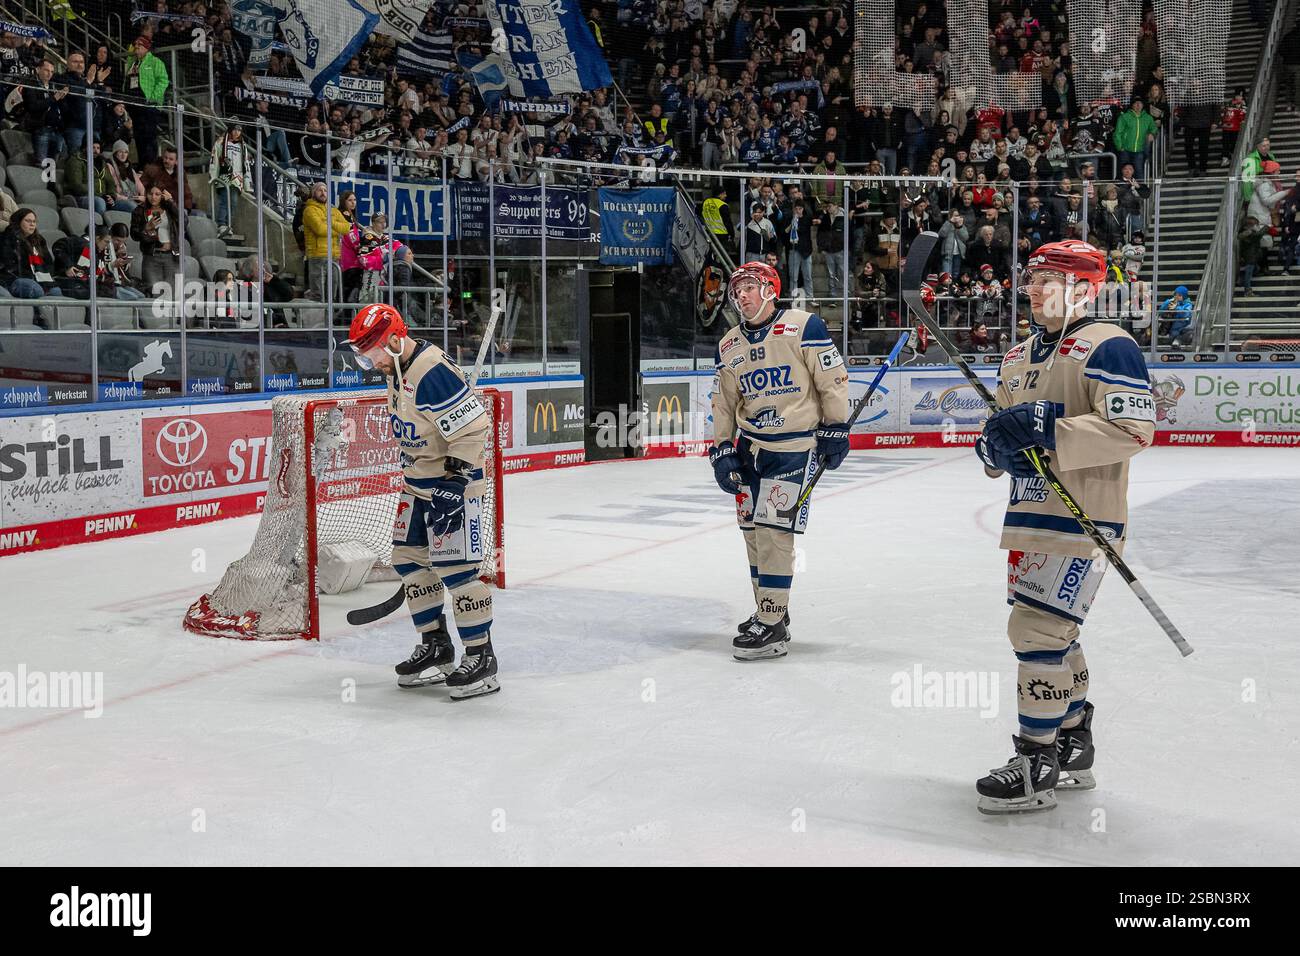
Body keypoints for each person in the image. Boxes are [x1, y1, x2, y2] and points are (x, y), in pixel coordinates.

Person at [973, 239, 1154, 814]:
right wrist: (997, 448)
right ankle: (1073, 746)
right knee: (1054, 635)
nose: (1032, 287)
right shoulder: (1017, 355)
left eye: (1048, 277)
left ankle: (1036, 759)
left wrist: (1049, 427)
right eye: (1031, 276)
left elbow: (1134, 429)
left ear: (1086, 288)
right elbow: (997, 434)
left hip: (1084, 518)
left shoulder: (1109, 344)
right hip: (1029, 516)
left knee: (1034, 634)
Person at [345, 303, 500, 699]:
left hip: (452, 484)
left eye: (373, 349)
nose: (369, 359)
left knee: (458, 571)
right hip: (418, 481)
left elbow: (475, 426)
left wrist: (456, 478)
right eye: (363, 352)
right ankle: (436, 645)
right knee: (408, 560)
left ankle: (482, 658)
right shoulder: (396, 368)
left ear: (395, 339)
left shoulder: (431, 371)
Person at [708, 261, 849, 661]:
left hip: (793, 447)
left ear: (770, 289)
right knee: (753, 532)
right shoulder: (730, 343)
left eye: (749, 287)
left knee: (774, 533)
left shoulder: (805, 326)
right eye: (737, 291)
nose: (741, 295)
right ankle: (770, 611)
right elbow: (724, 401)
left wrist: (836, 427)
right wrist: (721, 448)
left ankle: (770, 623)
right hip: (750, 448)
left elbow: (832, 379)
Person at [123, 35, 168, 164]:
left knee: (149, 137)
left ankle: (150, 166)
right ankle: (143, 166)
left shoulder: (155, 62)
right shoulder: (132, 62)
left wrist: (153, 97)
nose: (136, 48)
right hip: (134, 105)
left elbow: (163, 81)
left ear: (147, 48)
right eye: (135, 46)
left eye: (140, 46)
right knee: (138, 137)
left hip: (148, 106)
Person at [302, 181, 351, 299]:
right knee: (318, 294)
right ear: (314, 193)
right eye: (320, 190)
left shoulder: (333, 210)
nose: (323, 193)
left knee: (332, 294)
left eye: (325, 190)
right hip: (317, 256)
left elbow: (346, 228)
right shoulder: (310, 210)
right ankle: (317, 317)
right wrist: (336, 230)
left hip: (334, 256)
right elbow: (320, 230)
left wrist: (330, 222)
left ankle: (330, 317)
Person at [0, 208, 62, 298]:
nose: (32, 224)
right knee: (34, 289)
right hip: (14, 279)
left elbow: (48, 263)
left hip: (38, 279)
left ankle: (43, 312)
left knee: (56, 291)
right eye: (28, 221)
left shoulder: (39, 240)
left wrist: (45, 277)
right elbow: (9, 266)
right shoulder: (6, 238)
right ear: (18, 222)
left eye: (34, 221)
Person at [130, 184, 180, 293]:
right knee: (153, 291)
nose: (153, 197)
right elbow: (134, 235)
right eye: (150, 194)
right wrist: (146, 228)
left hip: (171, 256)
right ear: (146, 194)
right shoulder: (140, 210)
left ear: (163, 195)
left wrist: (171, 201)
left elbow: (184, 222)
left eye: (157, 194)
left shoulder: (169, 209)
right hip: (151, 256)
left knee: (173, 293)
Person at [209, 125, 252, 239]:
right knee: (225, 200)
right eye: (235, 129)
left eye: (239, 130)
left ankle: (228, 225)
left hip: (237, 178)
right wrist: (213, 176)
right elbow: (214, 158)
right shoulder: (221, 141)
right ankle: (222, 224)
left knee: (233, 202)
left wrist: (248, 184)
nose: (237, 132)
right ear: (230, 129)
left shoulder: (243, 145)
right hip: (224, 176)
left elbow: (246, 165)